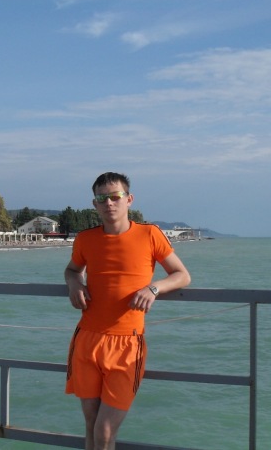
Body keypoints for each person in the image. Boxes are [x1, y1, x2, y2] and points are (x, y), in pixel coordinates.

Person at [64, 172, 191, 450]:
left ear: (129, 199)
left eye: (115, 196)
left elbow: (182, 275)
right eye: (101, 199)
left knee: (105, 429)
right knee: (92, 423)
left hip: (127, 343)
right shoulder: (85, 239)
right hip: (87, 339)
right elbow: (72, 269)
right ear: (94, 204)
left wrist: (154, 288)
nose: (109, 203)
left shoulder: (150, 234)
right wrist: (74, 283)